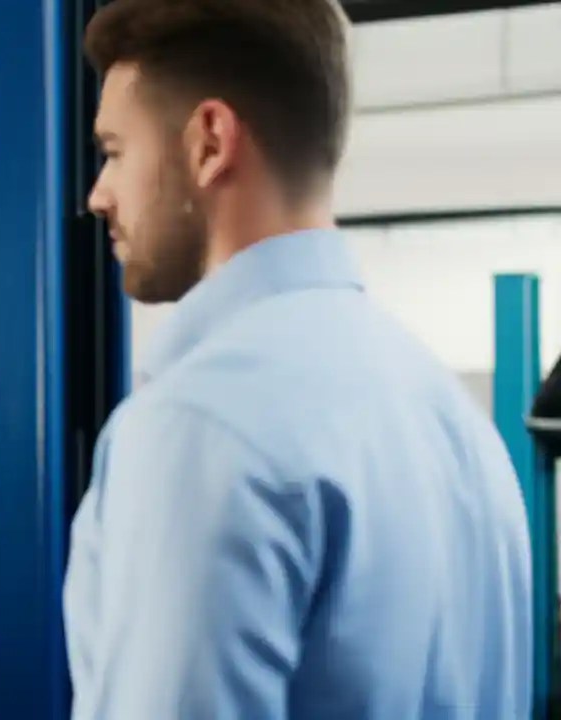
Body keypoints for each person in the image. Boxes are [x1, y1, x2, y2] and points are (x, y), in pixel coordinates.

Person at [63, 1, 532, 718]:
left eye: (116, 151)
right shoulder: (455, 422)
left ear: (209, 142)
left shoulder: (199, 426)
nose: (99, 194)